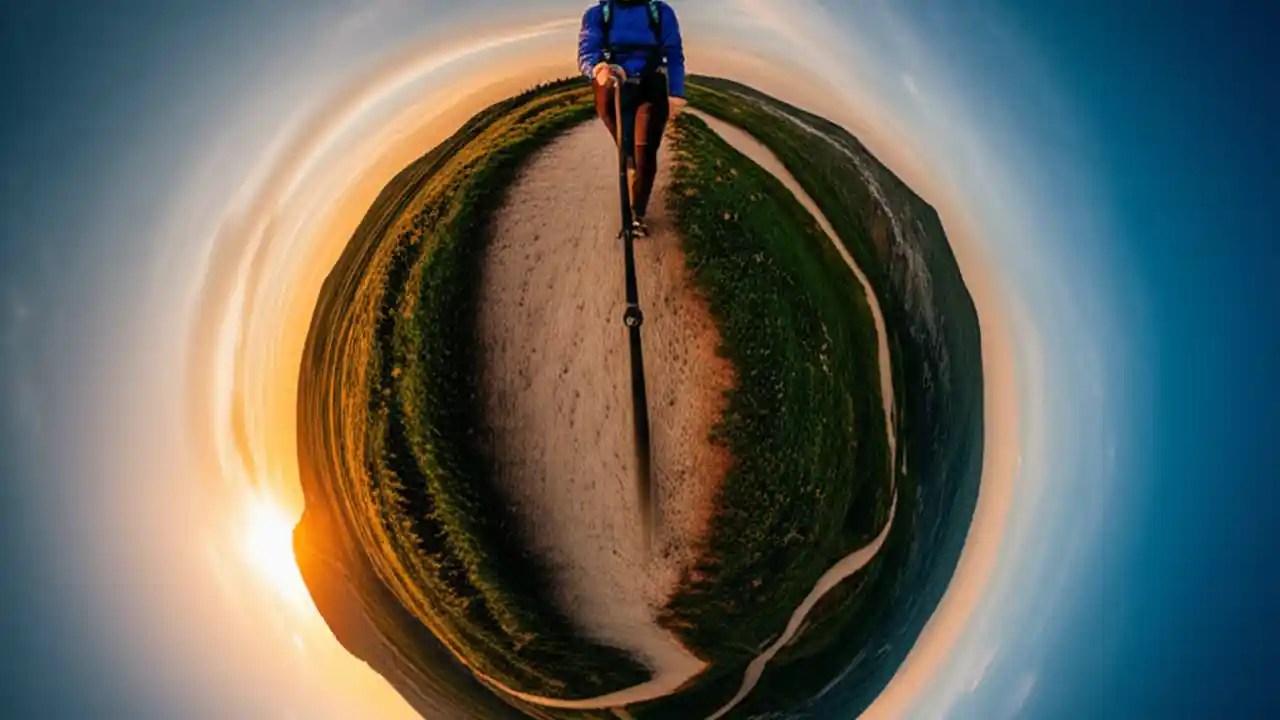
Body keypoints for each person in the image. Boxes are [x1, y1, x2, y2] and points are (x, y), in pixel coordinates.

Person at [578, 0, 686, 235]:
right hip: (614, 86)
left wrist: (676, 93)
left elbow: (674, 52)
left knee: (644, 153)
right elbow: (588, 50)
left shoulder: (660, 12)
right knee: (626, 149)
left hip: (651, 85)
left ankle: (637, 214)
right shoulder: (598, 15)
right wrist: (598, 69)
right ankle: (629, 168)